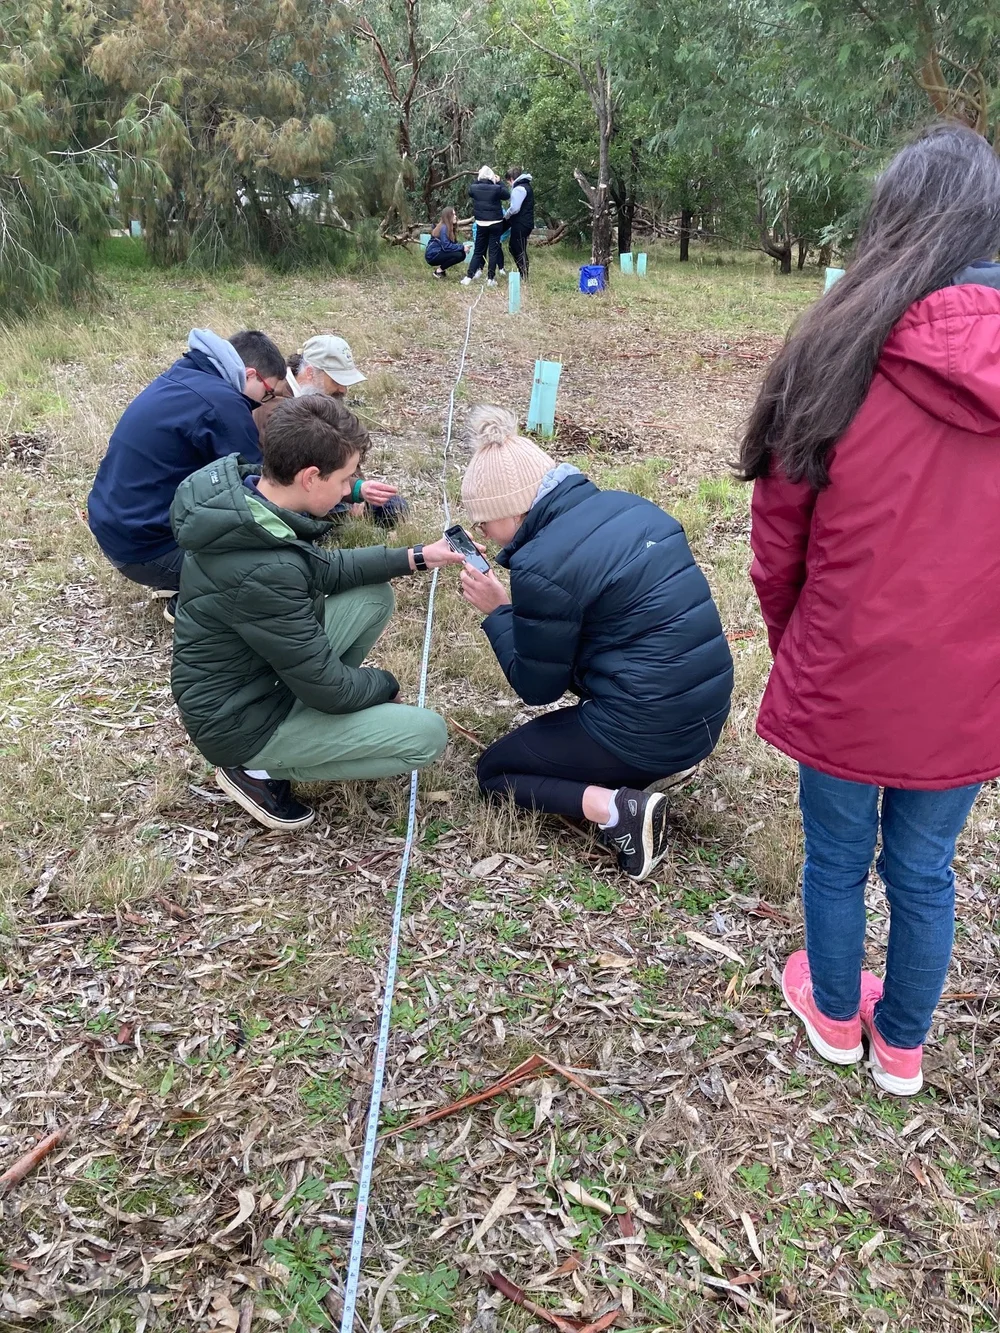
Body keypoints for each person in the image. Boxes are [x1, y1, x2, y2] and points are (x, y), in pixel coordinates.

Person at [740, 124, 1000, 1097]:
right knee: (925, 870)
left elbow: (779, 543)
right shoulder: (840, 345)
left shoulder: (831, 348)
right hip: (974, 687)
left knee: (838, 856)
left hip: (847, 671)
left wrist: (799, 645)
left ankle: (836, 1012)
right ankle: (901, 1044)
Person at [457, 407, 733, 880]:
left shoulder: (542, 564)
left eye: (483, 520)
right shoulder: (633, 507)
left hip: (649, 732)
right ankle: (627, 776)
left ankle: (619, 810)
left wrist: (500, 612)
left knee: (495, 773)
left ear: (513, 508)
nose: (480, 531)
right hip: (705, 715)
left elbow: (538, 687)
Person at [170, 394, 465, 832]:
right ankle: (258, 771)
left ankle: (309, 718)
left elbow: (325, 570)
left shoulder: (249, 505)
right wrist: (385, 686)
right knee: (426, 736)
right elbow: (333, 691)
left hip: (257, 678)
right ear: (310, 477)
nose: (351, 490)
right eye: (347, 479)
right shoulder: (263, 571)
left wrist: (420, 556)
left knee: (372, 597)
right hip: (242, 722)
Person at [89, 329, 285, 620]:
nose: (264, 403)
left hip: (116, 530)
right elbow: (261, 491)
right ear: (251, 374)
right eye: (268, 393)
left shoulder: (185, 374)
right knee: (268, 559)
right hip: (147, 548)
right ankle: (192, 600)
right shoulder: (224, 404)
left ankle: (179, 577)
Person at [254, 335, 407, 529]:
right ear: (310, 373)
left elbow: (337, 449)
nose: (343, 389)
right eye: (337, 380)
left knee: (394, 507)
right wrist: (350, 494)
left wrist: (359, 489)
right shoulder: (277, 410)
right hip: (297, 499)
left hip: (325, 486)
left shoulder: (309, 398)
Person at [461, 167, 509, 287]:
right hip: (496, 223)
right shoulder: (497, 188)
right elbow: (507, 194)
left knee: (478, 251)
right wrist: (499, 181)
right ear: (491, 177)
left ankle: (468, 277)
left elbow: (471, 190)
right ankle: (490, 279)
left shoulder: (474, 188)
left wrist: (479, 179)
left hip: (481, 223)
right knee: (493, 252)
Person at [504, 167, 534, 280]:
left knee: (516, 248)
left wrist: (506, 216)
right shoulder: (526, 186)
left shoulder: (519, 189)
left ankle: (524, 275)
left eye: (508, 182)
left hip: (521, 223)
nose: (509, 184)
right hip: (526, 222)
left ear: (511, 178)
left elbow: (515, 208)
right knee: (519, 247)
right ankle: (523, 274)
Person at [426, 207, 467, 279]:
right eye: (453, 215)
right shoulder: (444, 227)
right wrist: (462, 247)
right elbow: (446, 246)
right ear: (448, 216)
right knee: (459, 254)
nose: (455, 216)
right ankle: (438, 271)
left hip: (438, 252)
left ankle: (440, 271)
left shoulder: (448, 227)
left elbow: (451, 245)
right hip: (433, 255)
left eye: (455, 214)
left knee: (461, 253)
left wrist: (462, 247)